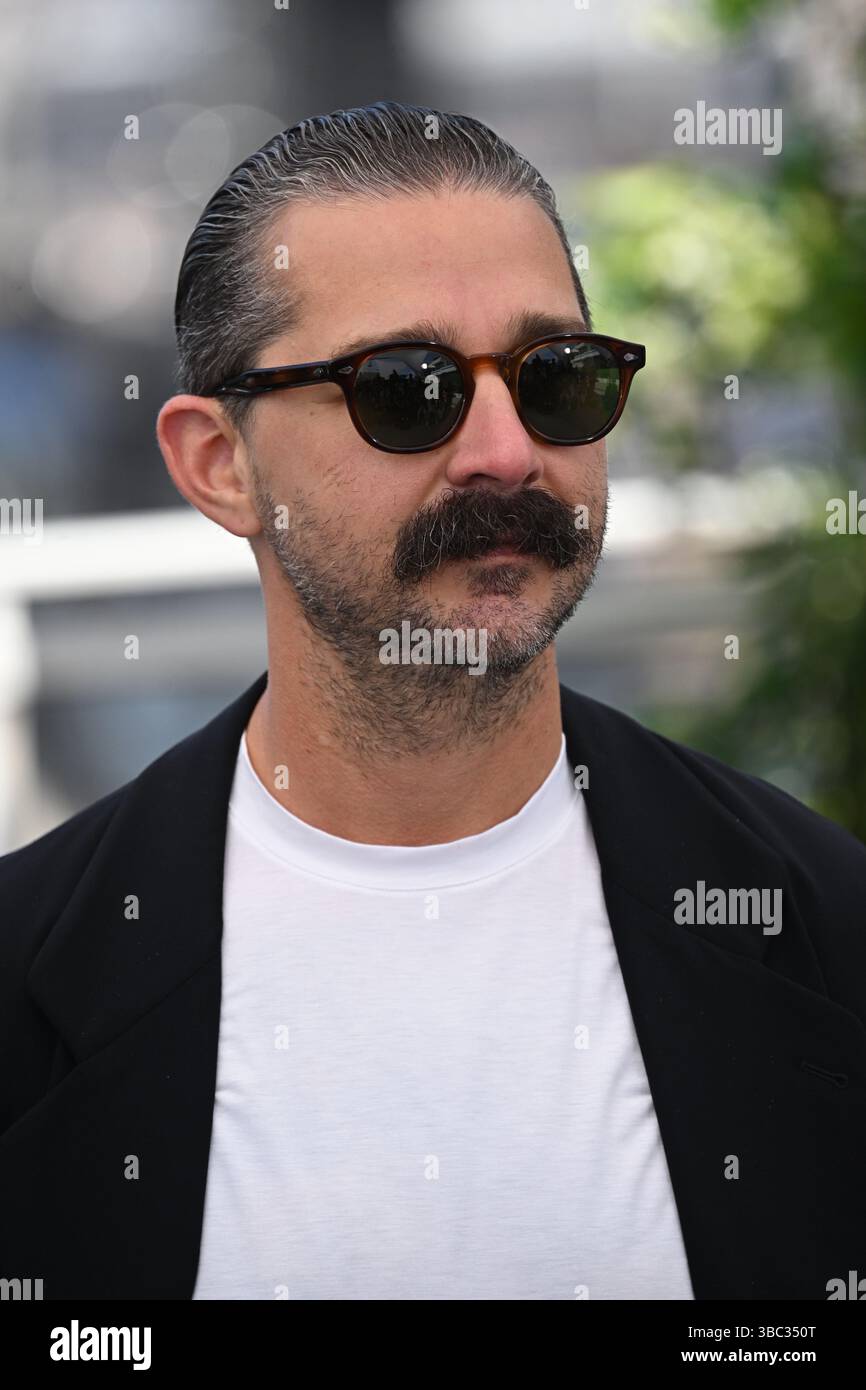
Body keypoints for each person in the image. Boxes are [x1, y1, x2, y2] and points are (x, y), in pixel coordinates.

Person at [1, 102, 864, 1302]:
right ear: (220, 464)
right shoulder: (34, 970)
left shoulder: (818, 924)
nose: (507, 452)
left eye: (554, 377)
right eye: (405, 389)